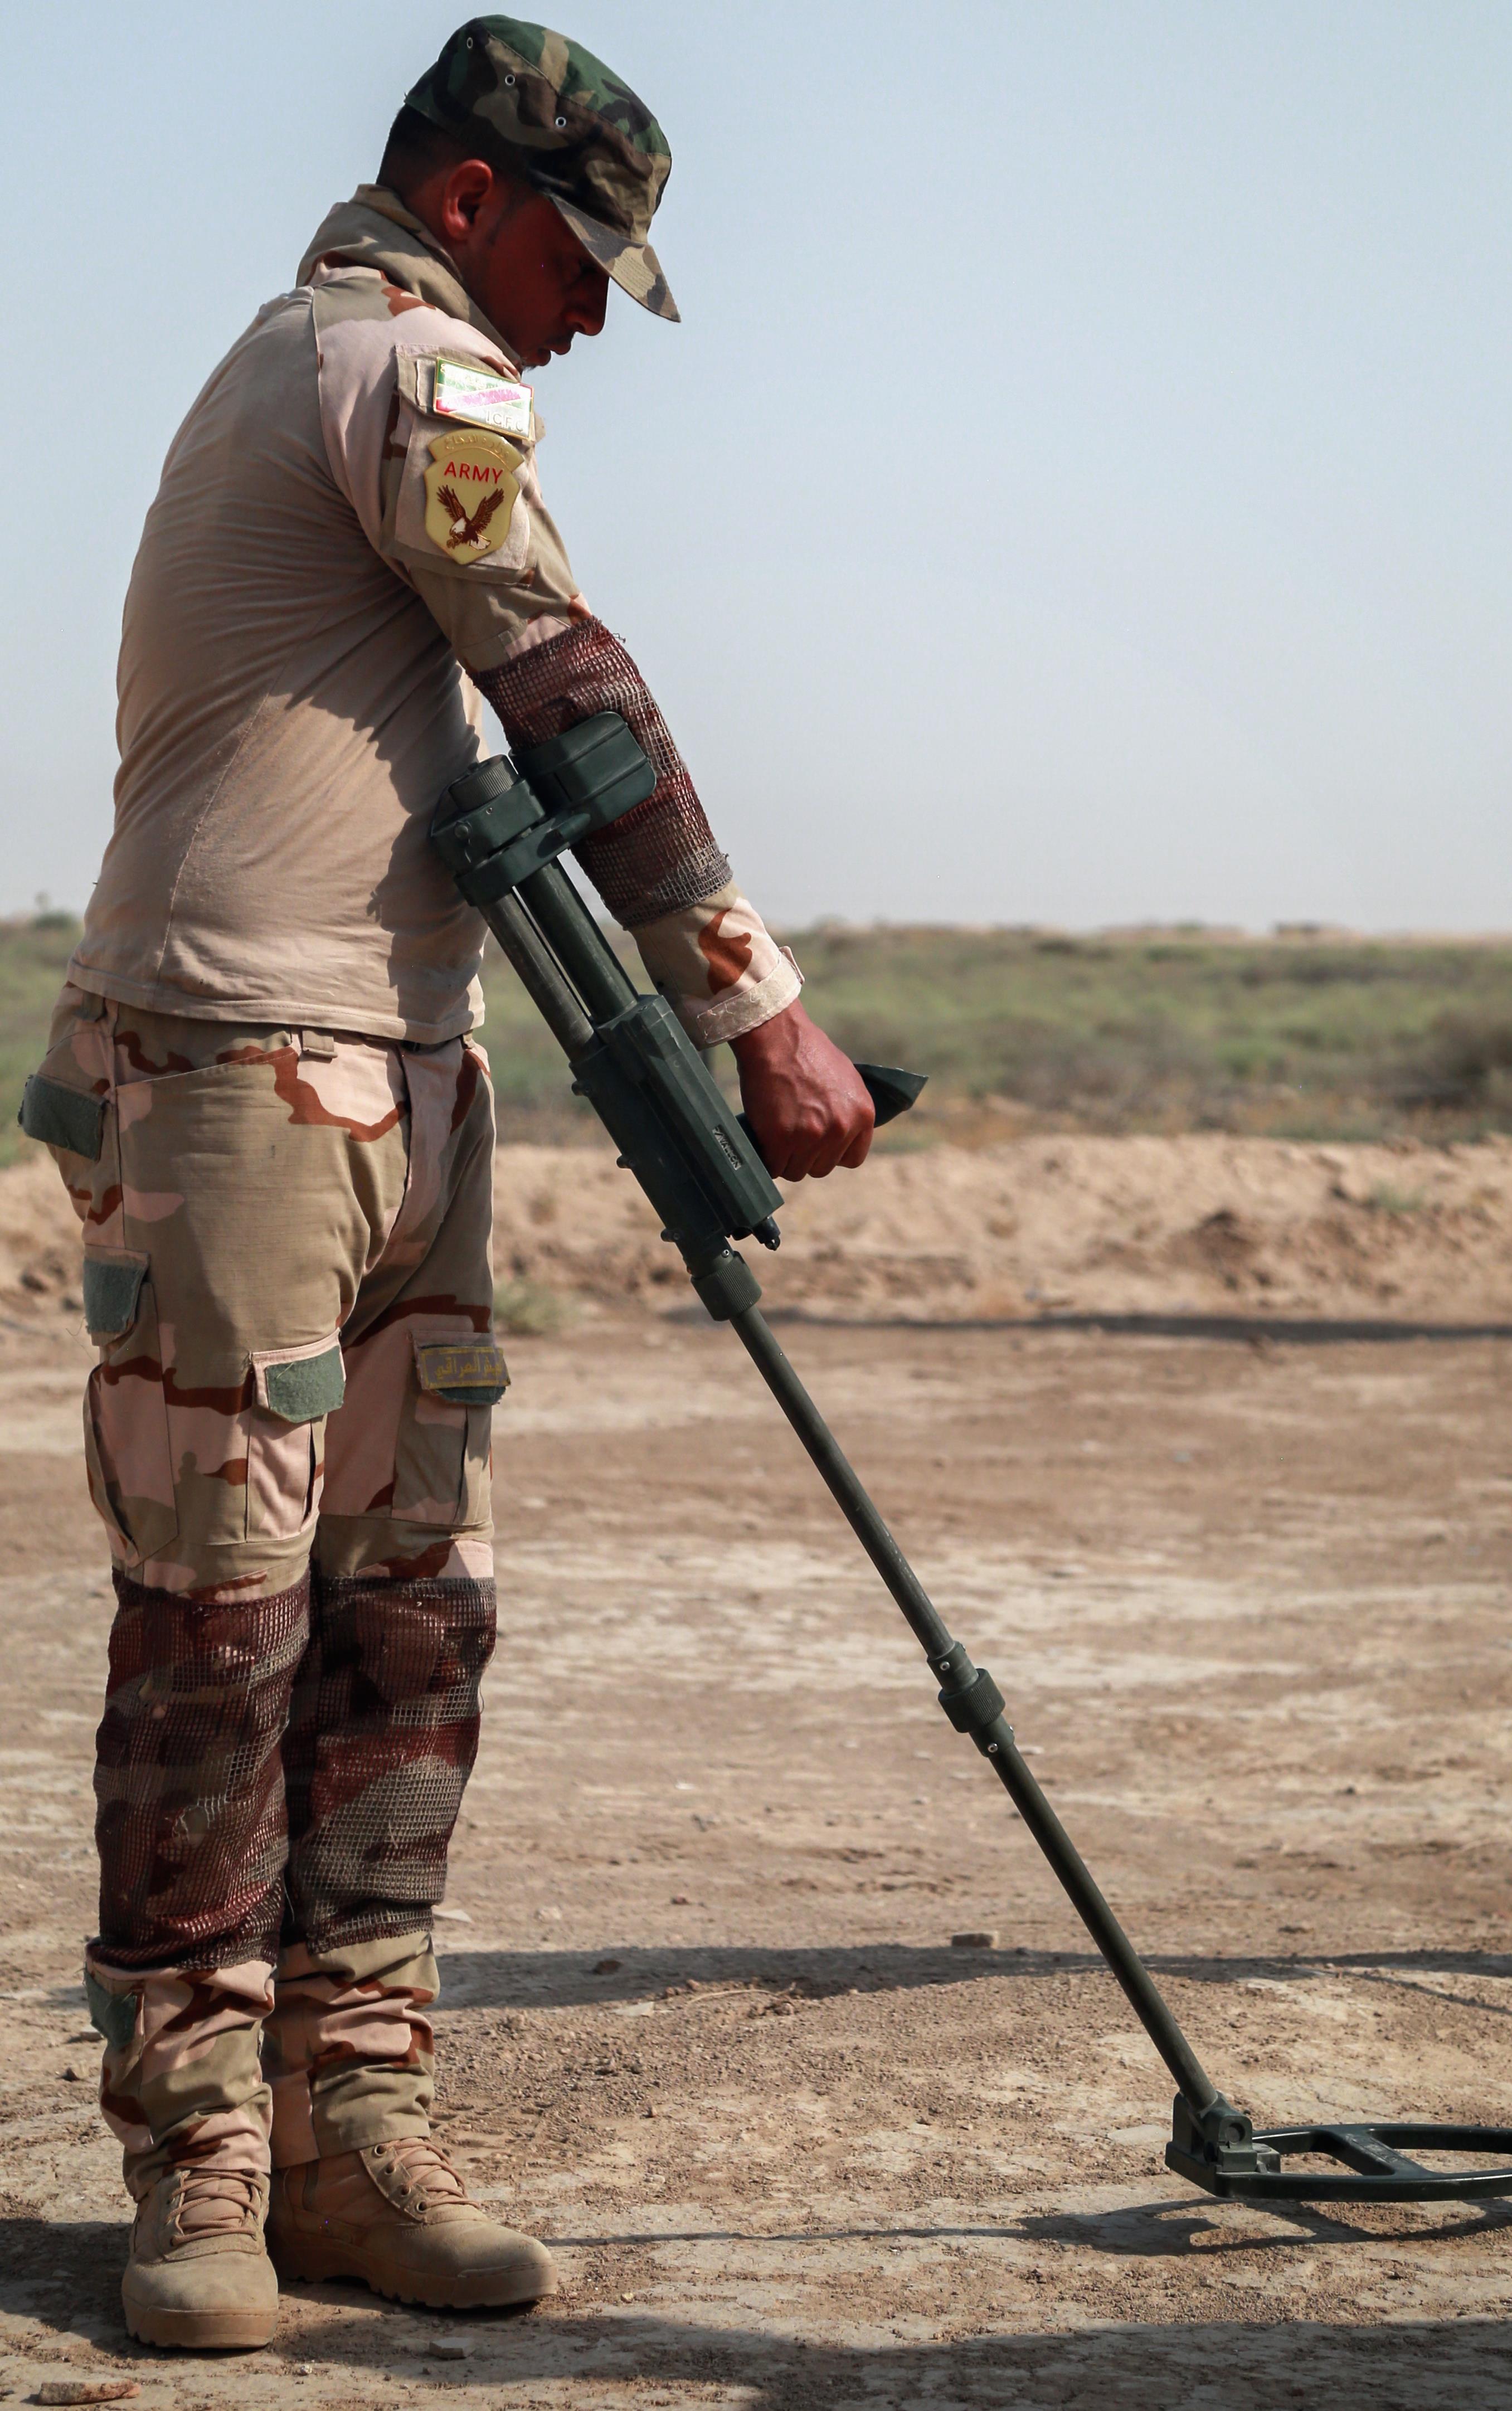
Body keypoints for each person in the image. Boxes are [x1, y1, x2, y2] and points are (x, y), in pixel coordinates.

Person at [24, 16, 874, 2352]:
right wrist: (751, 1004)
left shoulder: (337, 364)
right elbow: (569, 687)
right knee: (219, 1627)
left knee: (411, 1611)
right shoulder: (401, 364)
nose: (594, 311)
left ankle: (354, 2120)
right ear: (475, 201)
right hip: (227, 1070)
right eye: (585, 255)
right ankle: (195, 2151)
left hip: (402, 1063)